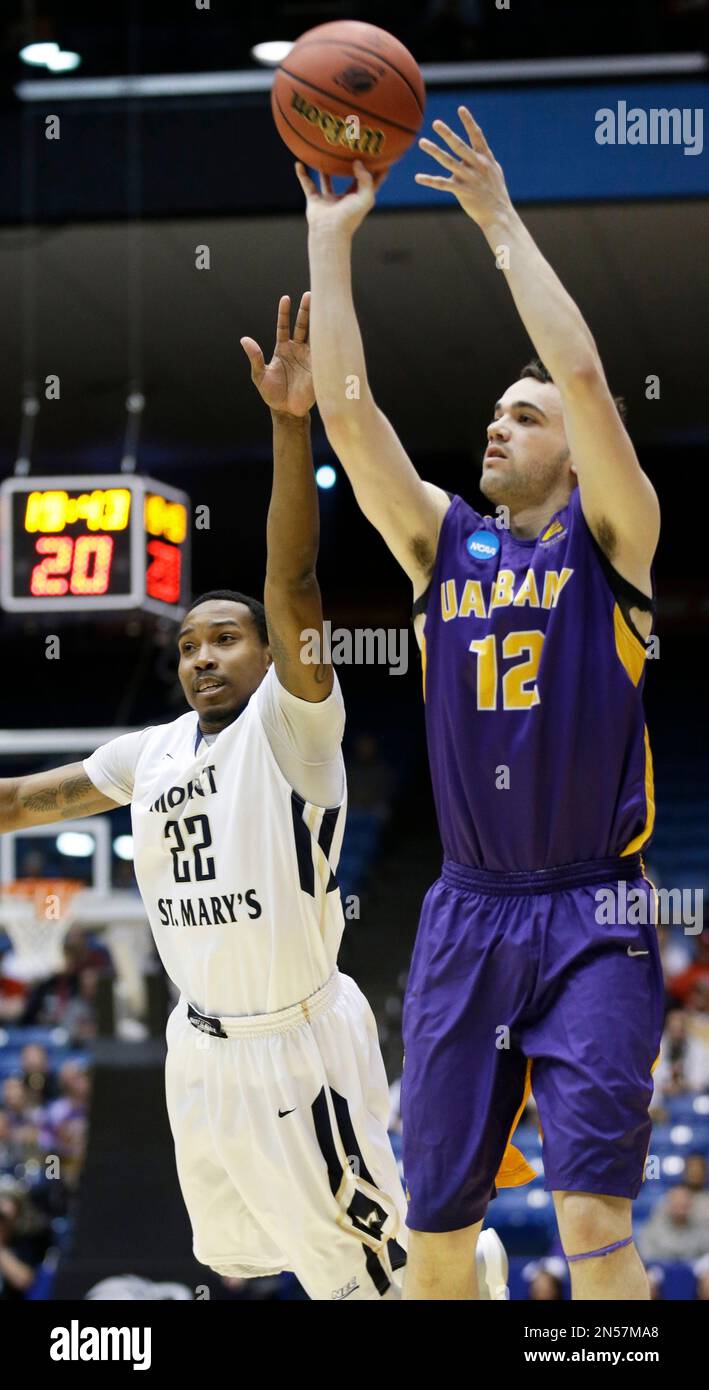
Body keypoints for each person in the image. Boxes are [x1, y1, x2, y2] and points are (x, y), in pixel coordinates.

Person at [0, 294, 504, 1302]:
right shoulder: (150, 752)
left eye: (223, 637)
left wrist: (288, 421)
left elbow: (296, 580)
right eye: (186, 645)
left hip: (292, 1043)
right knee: (235, 1257)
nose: (201, 656)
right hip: (199, 1045)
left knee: (366, 1273)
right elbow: (18, 804)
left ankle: (471, 1271)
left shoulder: (293, 723)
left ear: (272, 655)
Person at [300, 106, 663, 1300]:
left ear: (571, 451)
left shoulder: (615, 541)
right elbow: (347, 415)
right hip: (465, 911)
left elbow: (584, 373)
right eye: (493, 415)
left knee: (593, 1210)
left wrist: (499, 223)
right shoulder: (441, 547)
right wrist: (331, 235)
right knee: (438, 1226)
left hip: (591, 908)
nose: (495, 427)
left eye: (523, 417)